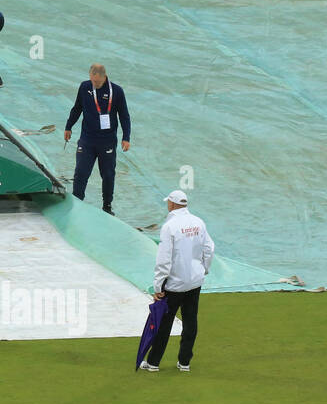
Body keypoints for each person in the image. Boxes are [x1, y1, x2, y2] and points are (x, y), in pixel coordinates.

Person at [140, 190, 214, 373]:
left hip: (174, 284)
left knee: (164, 324)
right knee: (190, 321)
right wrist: (203, 269)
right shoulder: (199, 222)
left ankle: (153, 362)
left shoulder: (170, 226)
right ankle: (184, 362)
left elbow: (164, 260)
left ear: (171, 204)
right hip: (194, 282)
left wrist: (158, 285)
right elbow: (209, 249)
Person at [63, 63, 132, 215]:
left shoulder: (117, 91)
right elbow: (77, 108)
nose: (95, 84)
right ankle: (77, 202)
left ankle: (107, 206)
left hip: (107, 141)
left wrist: (126, 137)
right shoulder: (84, 87)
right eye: (92, 81)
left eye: (98, 82)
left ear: (104, 77)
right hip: (87, 139)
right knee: (81, 172)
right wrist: (68, 127)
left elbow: (124, 116)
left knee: (108, 175)